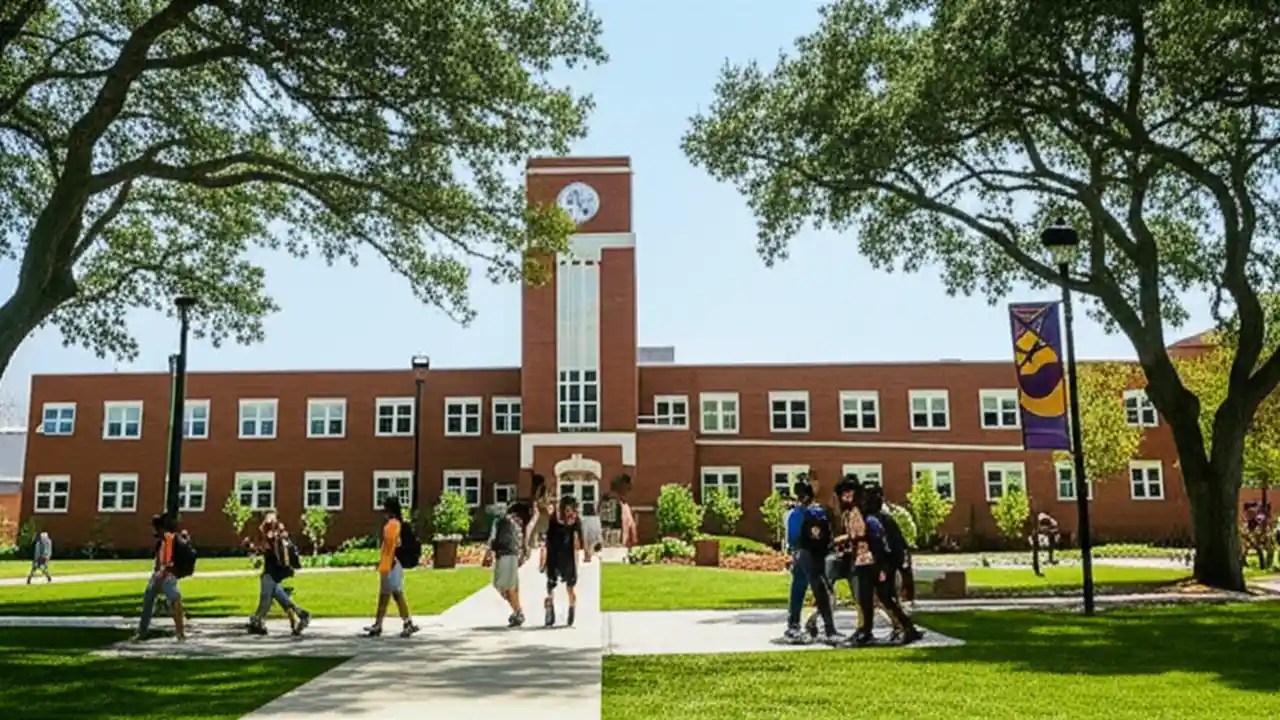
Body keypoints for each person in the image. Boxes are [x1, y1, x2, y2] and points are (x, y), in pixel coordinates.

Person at [783, 479, 843, 646]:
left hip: (799, 554)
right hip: (814, 556)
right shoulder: (818, 512)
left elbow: (792, 538)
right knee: (821, 591)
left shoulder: (794, 514)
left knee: (797, 591)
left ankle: (793, 625)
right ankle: (829, 629)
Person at [860, 490, 923, 645]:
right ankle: (906, 628)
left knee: (881, 597)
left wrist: (882, 567)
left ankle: (904, 628)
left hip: (884, 563)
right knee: (886, 597)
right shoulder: (886, 519)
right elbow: (900, 543)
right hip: (892, 562)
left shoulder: (873, 520)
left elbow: (882, 545)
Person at [248, 513, 312, 637]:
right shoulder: (279, 535)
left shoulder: (274, 536)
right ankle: (301, 615)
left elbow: (269, 550)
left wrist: (257, 547)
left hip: (272, 572)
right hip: (274, 572)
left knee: (265, 597)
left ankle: (257, 620)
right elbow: (266, 550)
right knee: (280, 596)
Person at [365, 496, 420, 638]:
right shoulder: (394, 524)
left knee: (396, 593)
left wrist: (390, 560)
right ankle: (378, 624)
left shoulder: (394, 525)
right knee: (384, 595)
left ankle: (408, 623)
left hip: (393, 563)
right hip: (389, 563)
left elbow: (393, 545)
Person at [132, 513, 187, 642]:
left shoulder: (168, 540)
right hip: (161, 575)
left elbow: (166, 561)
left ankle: (180, 633)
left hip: (167, 575)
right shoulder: (164, 541)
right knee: (151, 600)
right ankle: (143, 631)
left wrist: (160, 572)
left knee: (173, 601)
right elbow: (159, 560)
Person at [542, 495, 591, 627]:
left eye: (572, 510)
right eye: (567, 510)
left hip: (568, 556)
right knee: (550, 585)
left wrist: (586, 553)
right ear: (562, 509)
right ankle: (549, 611)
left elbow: (581, 538)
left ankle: (571, 607)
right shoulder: (553, 519)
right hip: (553, 554)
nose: (570, 513)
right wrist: (543, 557)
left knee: (570, 586)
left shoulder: (575, 521)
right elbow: (546, 539)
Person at [485, 501, 530, 627]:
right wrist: (522, 554)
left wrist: (487, 554)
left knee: (504, 586)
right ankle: (517, 611)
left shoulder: (499, 522)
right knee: (510, 587)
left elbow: (492, 539)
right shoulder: (512, 522)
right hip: (510, 556)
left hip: (506, 555)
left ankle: (518, 612)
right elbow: (520, 538)